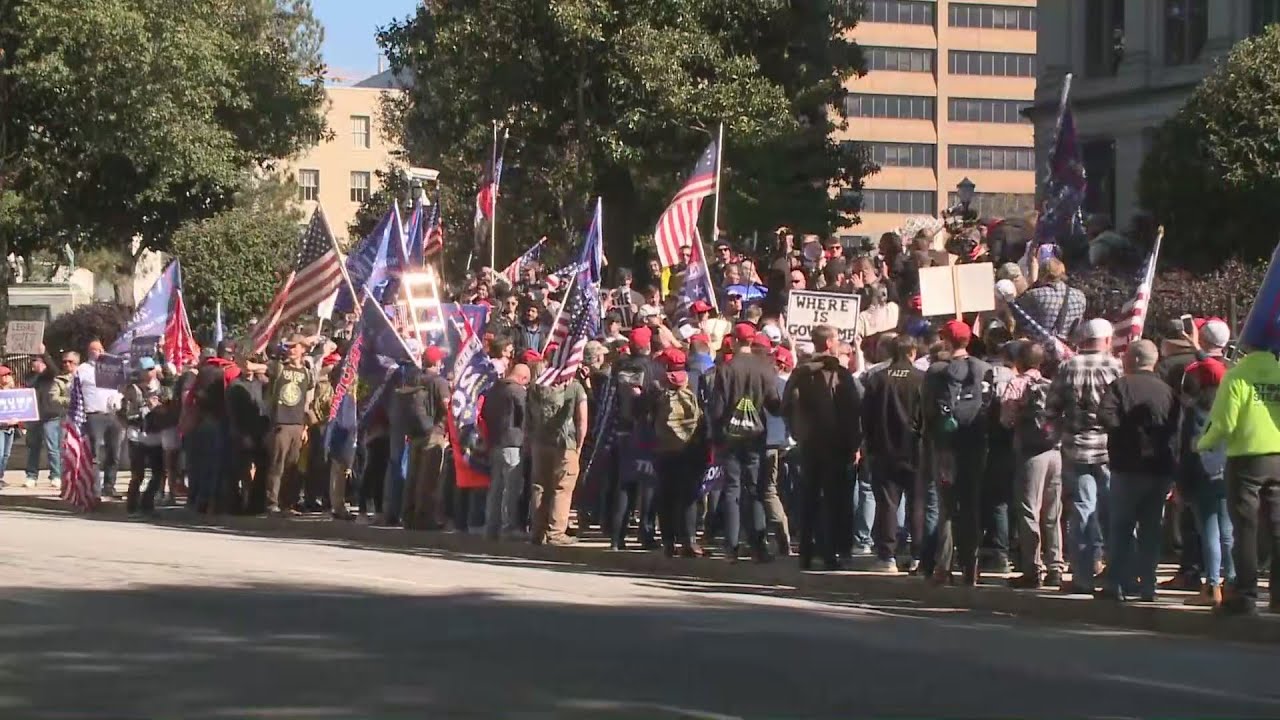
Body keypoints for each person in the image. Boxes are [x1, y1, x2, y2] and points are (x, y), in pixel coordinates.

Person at [1197, 344, 1280, 616]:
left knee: (1246, 528)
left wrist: (1203, 443)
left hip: (1245, 458)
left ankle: (1245, 594)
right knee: (1278, 527)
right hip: (1278, 456)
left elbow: (1224, 422)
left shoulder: (1237, 376)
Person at [1096, 339, 1178, 602]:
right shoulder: (1168, 391)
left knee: (1121, 527)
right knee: (1151, 529)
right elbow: (1177, 429)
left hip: (1127, 466)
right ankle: (1148, 586)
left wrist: (1125, 435)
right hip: (1160, 468)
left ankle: (1117, 583)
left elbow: (1105, 416)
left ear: (1130, 360)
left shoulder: (1120, 386)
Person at [1047, 318, 1124, 594]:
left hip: (1075, 446)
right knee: (1111, 510)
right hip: (1109, 447)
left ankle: (1082, 574)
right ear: (1106, 340)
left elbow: (1052, 407)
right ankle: (1114, 571)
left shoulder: (1068, 367)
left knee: (1082, 508)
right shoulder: (1116, 366)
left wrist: (1055, 433)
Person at [782, 325, 860, 569]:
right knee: (831, 499)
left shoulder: (800, 372)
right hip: (835, 445)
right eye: (837, 339)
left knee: (809, 497)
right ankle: (828, 553)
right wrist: (855, 443)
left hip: (808, 443)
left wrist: (796, 430)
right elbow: (852, 411)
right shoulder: (838, 373)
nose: (838, 343)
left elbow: (786, 404)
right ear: (828, 343)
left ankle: (805, 552)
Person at [923, 320, 993, 586]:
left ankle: (943, 566)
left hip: (945, 446)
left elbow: (928, 408)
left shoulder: (937, 371)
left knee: (947, 508)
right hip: (976, 444)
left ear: (947, 341)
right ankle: (971, 568)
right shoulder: (985, 369)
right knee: (971, 505)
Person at [710, 323, 784, 562]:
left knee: (731, 488)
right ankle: (758, 546)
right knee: (754, 488)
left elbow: (717, 408)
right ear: (752, 341)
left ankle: (731, 547)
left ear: (733, 341)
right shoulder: (764, 368)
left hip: (730, 434)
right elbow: (774, 404)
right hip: (755, 434)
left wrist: (715, 432)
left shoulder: (726, 369)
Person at [1001, 342, 1064, 589]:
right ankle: (1056, 566)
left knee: (1029, 510)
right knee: (1052, 513)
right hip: (1055, 451)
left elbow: (1006, 420)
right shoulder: (1051, 385)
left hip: (1029, 453)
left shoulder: (1017, 384)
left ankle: (1032, 567)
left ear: (1019, 361)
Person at [860, 334, 924, 573]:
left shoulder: (877, 379)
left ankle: (887, 556)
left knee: (887, 503)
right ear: (913, 352)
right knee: (917, 503)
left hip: (883, 449)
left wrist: (868, 442)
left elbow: (865, 416)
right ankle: (917, 554)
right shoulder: (921, 379)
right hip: (915, 450)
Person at [1178, 357, 1233, 607]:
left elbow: (1186, 451)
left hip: (1202, 476)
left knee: (1209, 531)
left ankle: (1212, 585)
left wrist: (1181, 484)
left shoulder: (1193, 414)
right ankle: (1231, 582)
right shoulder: (1232, 407)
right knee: (1228, 532)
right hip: (1229, 472)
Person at [608, 326, 662, 550]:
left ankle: (616, 538)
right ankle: (646, 533)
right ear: (648, 345)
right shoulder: (654, 369)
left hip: (622, 429)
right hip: (646, 432)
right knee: (648, 484)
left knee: (624, 484)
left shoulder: (619, 367)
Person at [526, 363, 590, 546]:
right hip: (565, 443)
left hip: (540, 441)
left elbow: (528, 418)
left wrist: (529, 439)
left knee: (539, 486)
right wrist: (579, 444)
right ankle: (556, 533)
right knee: (562, 487)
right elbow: (582, 420)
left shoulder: (535, 387)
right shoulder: (575, 387)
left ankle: (537, 532)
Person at [652, 348, 706, 558]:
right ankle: (689, 540)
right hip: (691, 447)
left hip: (664, 448)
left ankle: (668, 541)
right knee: (689, 495)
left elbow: (646, 413)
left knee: (666, 495)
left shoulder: (657, 385)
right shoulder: (696, 380)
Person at [401, 347, 451, 530]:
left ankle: (408, 515)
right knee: (429, 477)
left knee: (413, 476)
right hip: (434, 432)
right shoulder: (439, 382)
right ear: (437, 362)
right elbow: (447, 406)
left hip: (414, 432)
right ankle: (424, 517)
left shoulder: (412, 378)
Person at [264, 335, 313, 517]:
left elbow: (307, 401)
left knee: (293, 466)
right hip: (281, 423)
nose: (291, 350)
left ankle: (288, 502)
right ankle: (272, 502)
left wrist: (306, 426)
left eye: (295, 347)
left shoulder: (307, 373)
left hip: (298, 424)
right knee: (278, 464)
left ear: (303, 350)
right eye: (289, 346)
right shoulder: (279, 368)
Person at [483, 362, 530, 540]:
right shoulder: (517, 391)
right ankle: (508, 527)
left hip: (495, 441)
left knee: (495, 487)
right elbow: (524, 417)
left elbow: (485, 414)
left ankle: (491, 528)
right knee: (511, 488)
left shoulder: (494, 390)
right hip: (513, 443)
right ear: (522, 378)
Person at [120, 357, 171, 516]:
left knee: (159, 472)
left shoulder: (162, 389)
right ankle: (132, 506)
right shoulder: (133, 390)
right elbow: (129, 415)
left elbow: (170, 408)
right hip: (137, 436)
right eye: (146, 370)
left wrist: (164, 409)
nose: (149, 373)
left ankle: (147, 503)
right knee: (138, 473)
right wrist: (147, 407)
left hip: (156, 435)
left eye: (151, 369)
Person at [77, 339, 124, 498]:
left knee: (114, 452)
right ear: (89, 352)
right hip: (93, 414)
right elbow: (74, 391)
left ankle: (109, 486)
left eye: (101, 349)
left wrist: (118, 399)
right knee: (94, 454)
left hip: (112, 414)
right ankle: (94, 488)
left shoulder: (111, 367)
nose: (99, 352)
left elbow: (119, 387)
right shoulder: (82, 369)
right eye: (95, 349)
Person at [23, 350, 68, 489]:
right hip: (34, 416)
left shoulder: (50, 376)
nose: (33, 364)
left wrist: (44, 353)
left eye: (35, 361)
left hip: (51, 416)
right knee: (33, 447)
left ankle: (55, 475)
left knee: (53, 447)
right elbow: (28, 386)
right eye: (32, 362)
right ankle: (31, 475)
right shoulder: (31, 377)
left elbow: (53, 369)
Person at [1014, 258, 1086, 344]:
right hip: (1067, 350)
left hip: (1040, 350)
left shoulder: (1034, 295)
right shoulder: (1080, 296)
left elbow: (1016, 316)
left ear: (1041, 274)